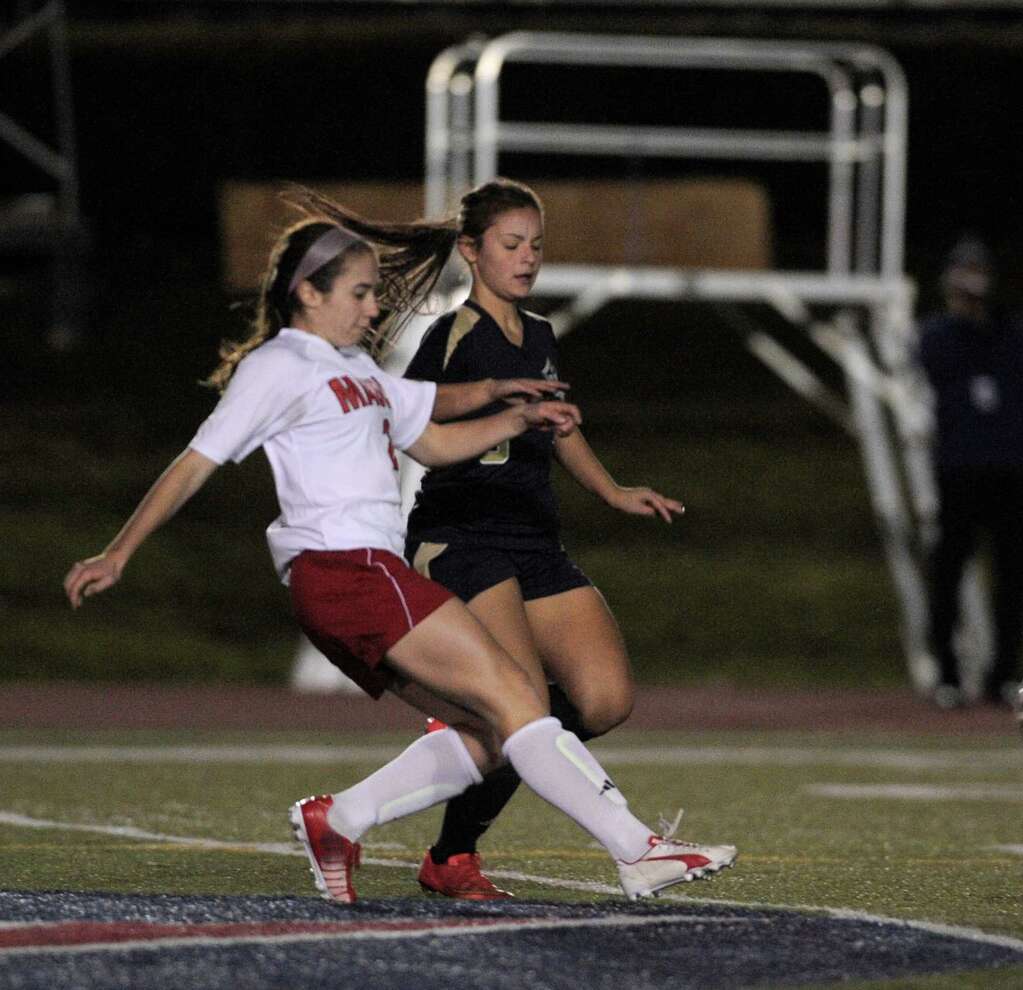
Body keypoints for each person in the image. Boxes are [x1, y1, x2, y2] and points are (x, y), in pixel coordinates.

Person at [63, 210, 736, 904]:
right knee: (519, 699)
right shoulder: (278, 366)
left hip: (351, 580)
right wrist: (119, 552)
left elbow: (435, 432)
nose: (373, 305)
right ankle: (636, 852)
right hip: (350, 569)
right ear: (309, 294)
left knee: (489, 732)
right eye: (358, 291)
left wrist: (514, 411)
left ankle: (340, 819)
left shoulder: (352, 367)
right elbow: (194, 462)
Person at [304, 178, 685, 901]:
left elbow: (561, 423)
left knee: (602, 702)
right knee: (523, 707)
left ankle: (444, 800)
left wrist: (610, 489)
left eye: (536, 245)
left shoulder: (538, 334)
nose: (528, 257)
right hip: (461, 538)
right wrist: (488, 422)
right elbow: (411, 427)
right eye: (512, 244)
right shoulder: (451, 336)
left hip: (534, 539)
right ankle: (475, 852)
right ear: (473, 253)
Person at [917, 237, 1023, 708]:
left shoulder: (1010, 329)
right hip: (960, 472)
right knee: (948, 569)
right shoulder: (937, 335)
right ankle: (948, 674)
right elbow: (933, 373)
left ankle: (1003, 675)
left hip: (1015, 471)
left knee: (1013, 576)